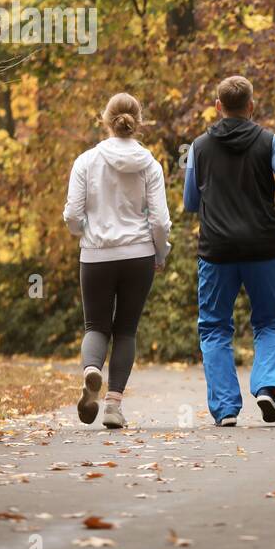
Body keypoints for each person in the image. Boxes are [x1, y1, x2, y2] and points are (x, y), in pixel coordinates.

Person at [183, 75, 275, 426]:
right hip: (263, 247)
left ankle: (225, 409)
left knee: (214, 328)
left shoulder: (199, 146)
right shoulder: (270, 142)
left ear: (218, 106)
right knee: (269, 322)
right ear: (252, 106)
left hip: (216, 250)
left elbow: (191, 201)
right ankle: (267, 387)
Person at [63, 93, 172, 429]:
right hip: (138, 255)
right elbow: (160, 222)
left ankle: (92, 370)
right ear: (137, 122)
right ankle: (113, 405)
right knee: (126, 330)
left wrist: (86, 233)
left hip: (96, 255)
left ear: (105, 119)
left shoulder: (86, 161)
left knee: (96, 326)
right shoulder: (150, 165)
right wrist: (160, 252)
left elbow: (71, 215)